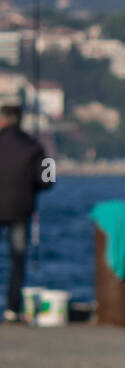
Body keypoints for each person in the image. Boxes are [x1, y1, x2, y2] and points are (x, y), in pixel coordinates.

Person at [0, 103, 52, 322]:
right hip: (20, 210)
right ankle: (12, 309)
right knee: (17, 261)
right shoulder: (33, 146)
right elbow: (48, 180)